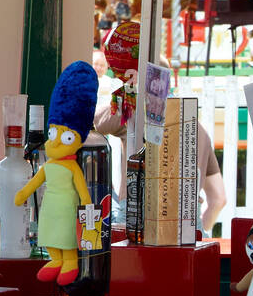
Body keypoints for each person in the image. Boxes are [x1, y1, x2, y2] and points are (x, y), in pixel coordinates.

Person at [94, 97, 227, 235]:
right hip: (188, 223)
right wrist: (198, 231)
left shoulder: (135, 111)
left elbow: (87, 121)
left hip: (138, 218)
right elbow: (219, 199)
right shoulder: (197, 129)